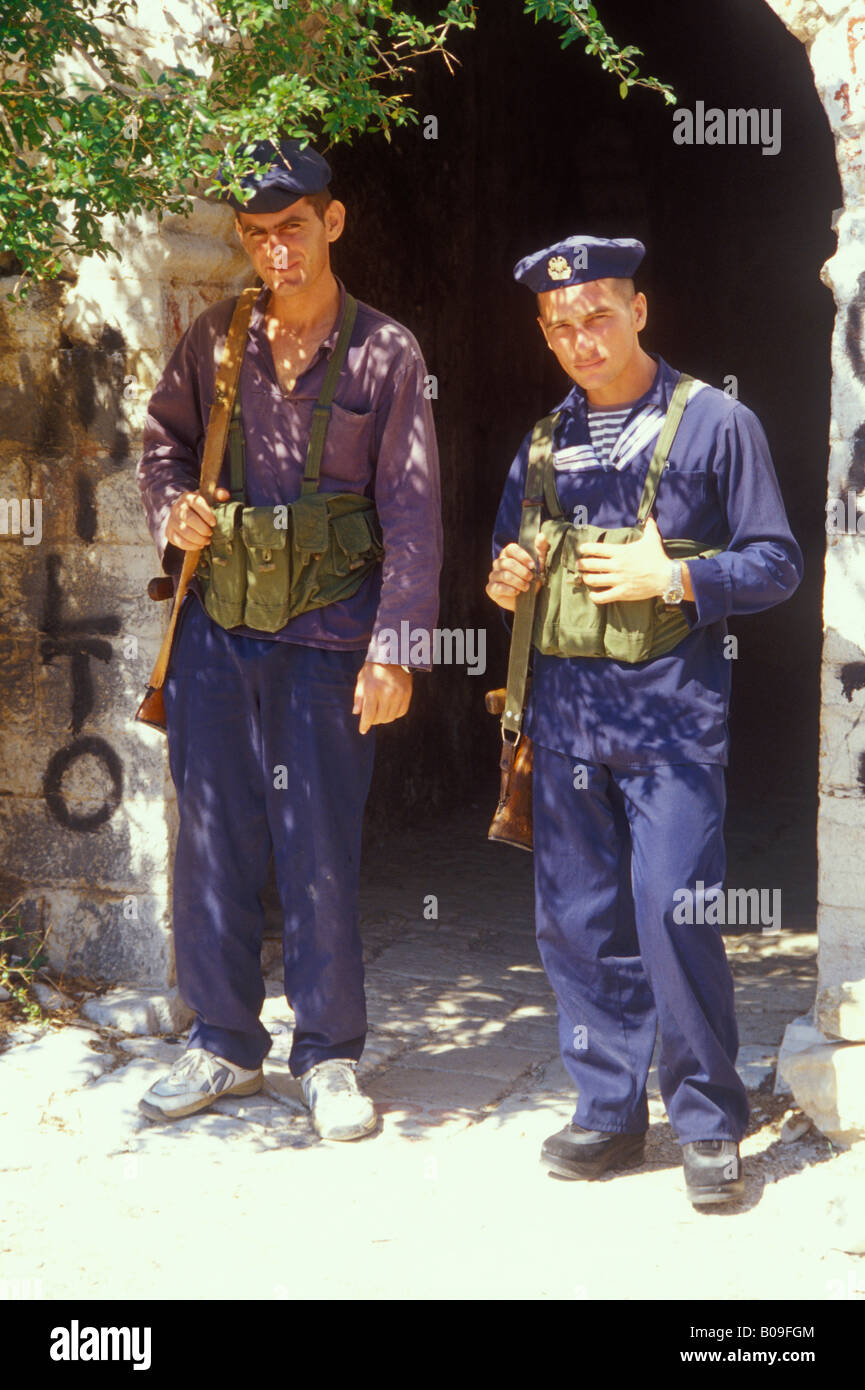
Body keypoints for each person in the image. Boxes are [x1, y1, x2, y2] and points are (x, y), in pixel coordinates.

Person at [486, 235, 802, 1205]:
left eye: (598, 316)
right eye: (560, 325)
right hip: (568, 718)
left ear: (639, 310)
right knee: (578, 926)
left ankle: (708, 1123)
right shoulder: (545, 442)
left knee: (674, 914)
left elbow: (777, 562)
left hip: (670, 726)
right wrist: (507, 577)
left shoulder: (717, 423)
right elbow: (508, 558)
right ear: (544, 333)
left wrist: (675, 576)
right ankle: (607, 1112)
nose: (581, 339)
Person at [136, 139, 441, 1141]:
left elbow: (410, 509)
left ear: (332, 221)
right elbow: (162, 444)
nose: (278, 251)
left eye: (294, 229)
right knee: (215, 837)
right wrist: (171, 508)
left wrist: (395, 646)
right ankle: (222, 1039)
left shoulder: (386, 352)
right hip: (219, 630)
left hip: (330, 636)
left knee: (318, 845)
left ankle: (328, 1055)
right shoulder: (215, 342)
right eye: (259, 235)